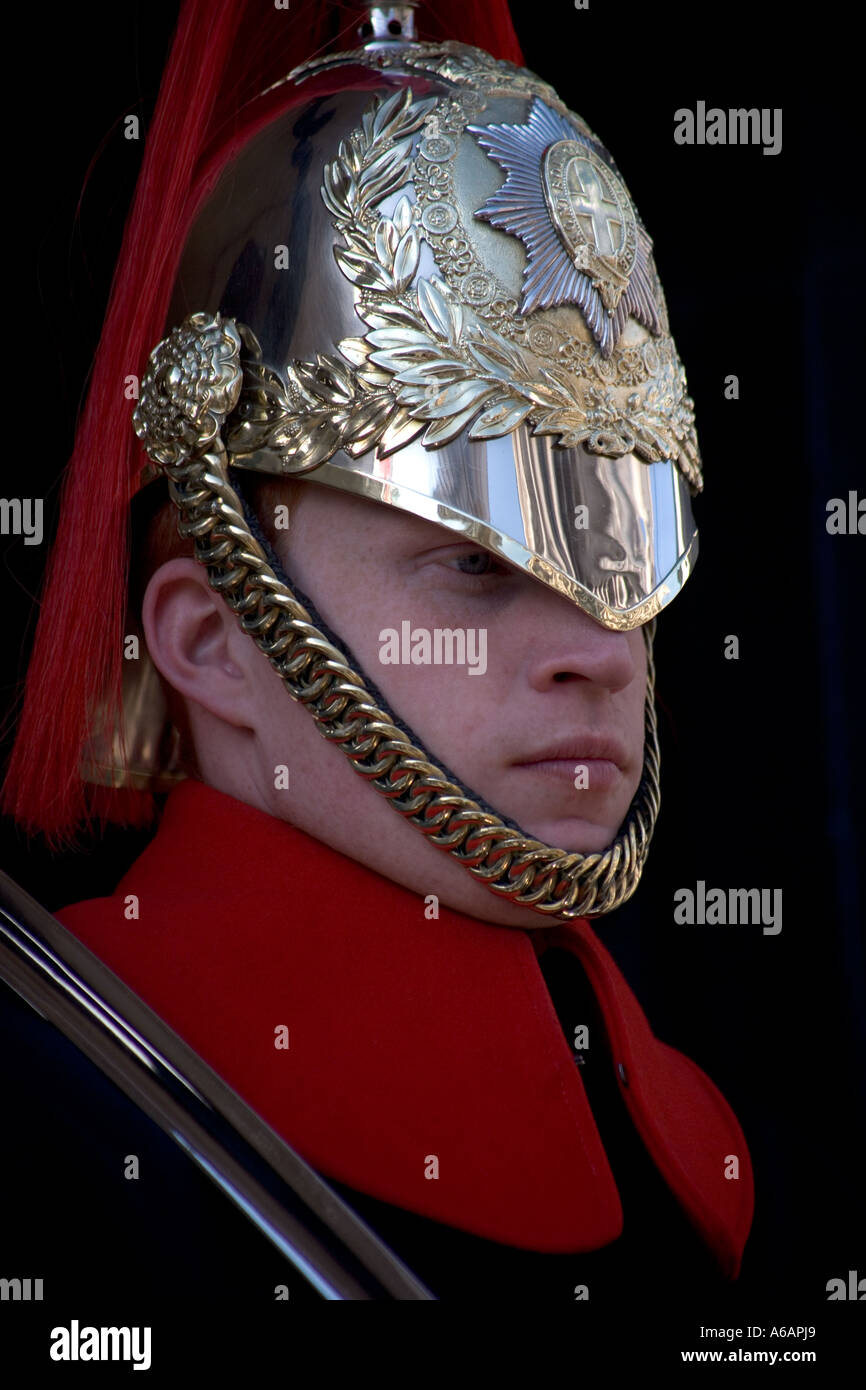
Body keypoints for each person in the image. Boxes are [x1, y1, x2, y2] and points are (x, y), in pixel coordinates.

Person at [2, 0, 753, 1302]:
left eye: (613, 557)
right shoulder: (45, 1097)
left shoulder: (680, 1127)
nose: (603, 651)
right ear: (213, 636)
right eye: (472, 562)